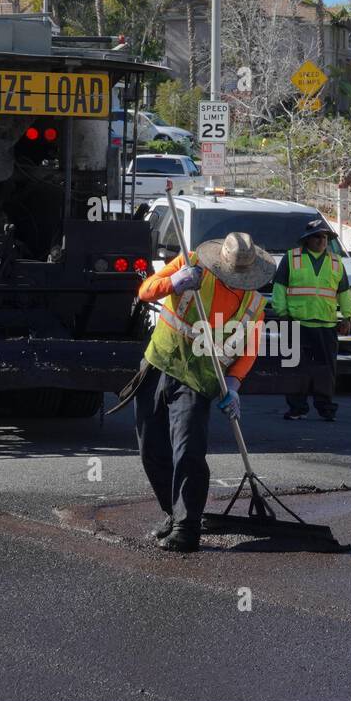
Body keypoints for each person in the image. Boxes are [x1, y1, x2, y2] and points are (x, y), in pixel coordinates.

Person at [134, 232, 273, 552]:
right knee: (150, 449)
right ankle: (173, 513)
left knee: (188, 452)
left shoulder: (254, 305)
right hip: (158, 364)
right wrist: (174, 282)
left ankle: (187, 527)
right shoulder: (191, 263)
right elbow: (145, 291)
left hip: (198, 381)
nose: (238, 280)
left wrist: (235, 385)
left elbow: (249, 350)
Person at [272, 218, 351, 421]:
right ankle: (297, 408)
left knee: (326, 371)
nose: (322, 240)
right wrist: (282, 314)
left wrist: (347, 317)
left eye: (325, 237)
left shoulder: (336, 262)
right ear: (307, 239)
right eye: (317, 236)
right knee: (295, 368)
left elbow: (344, 292)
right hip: (297, 322)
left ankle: (326, 408)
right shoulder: (291, 258)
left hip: (326, 325)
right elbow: (279, 288)